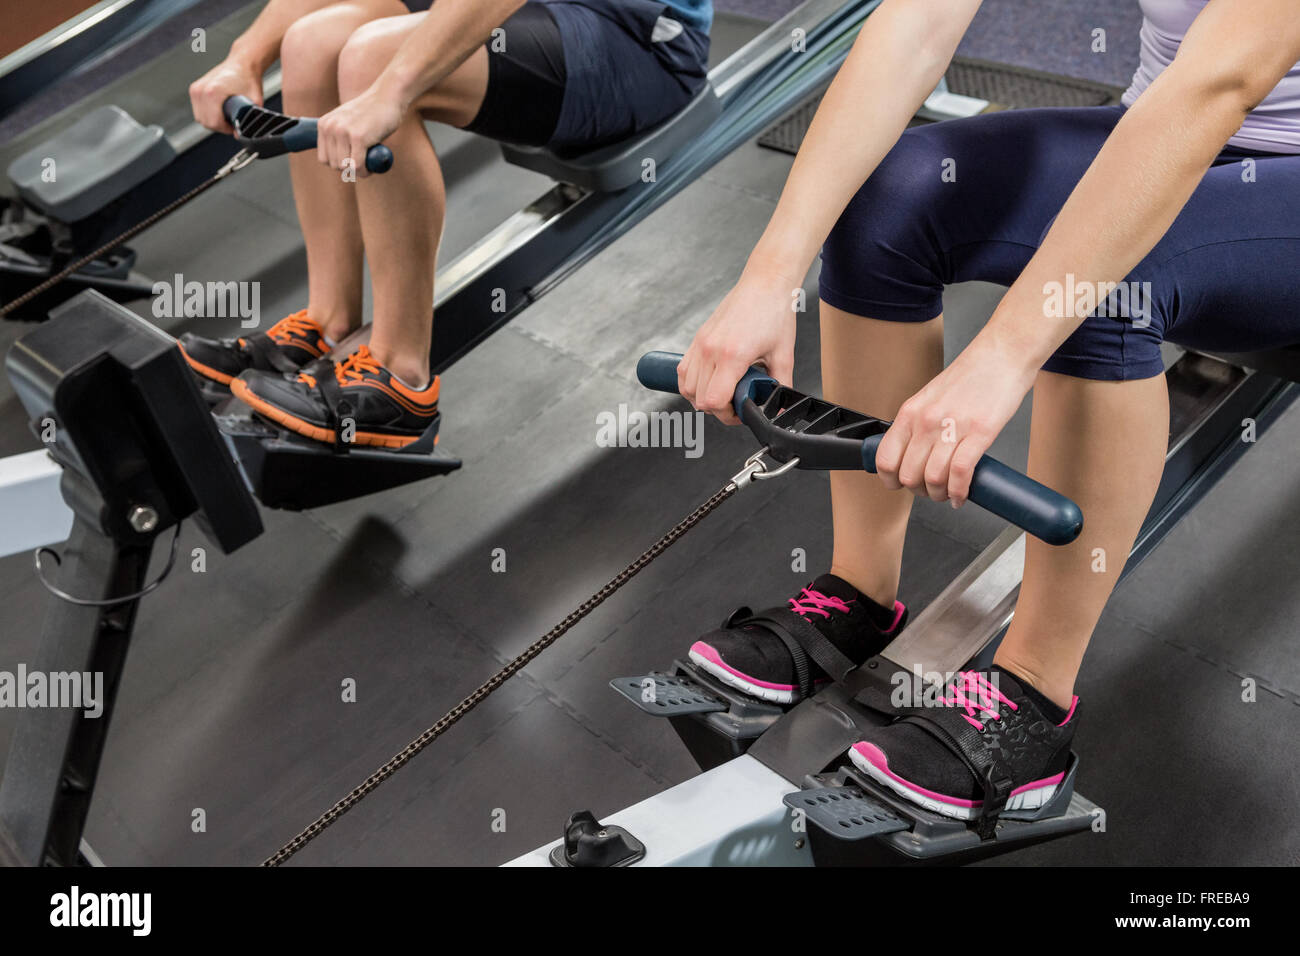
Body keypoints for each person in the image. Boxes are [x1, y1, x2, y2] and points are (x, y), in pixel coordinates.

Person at [677, 0, 1300, 821]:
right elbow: (917, 22)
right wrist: (770, 273)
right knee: (889, 199)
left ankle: (1033, 700)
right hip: (1162, 117)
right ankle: (858, 596)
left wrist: (1003, 355)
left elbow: (1223, 80)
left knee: (1100, 288)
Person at [181, 0, 711, 447]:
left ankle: (399, 376)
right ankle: (327, 320)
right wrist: (244, 57)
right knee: (311, 44)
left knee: (374, 58)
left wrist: (390, 91)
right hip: (537, 13)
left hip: (641, 41)